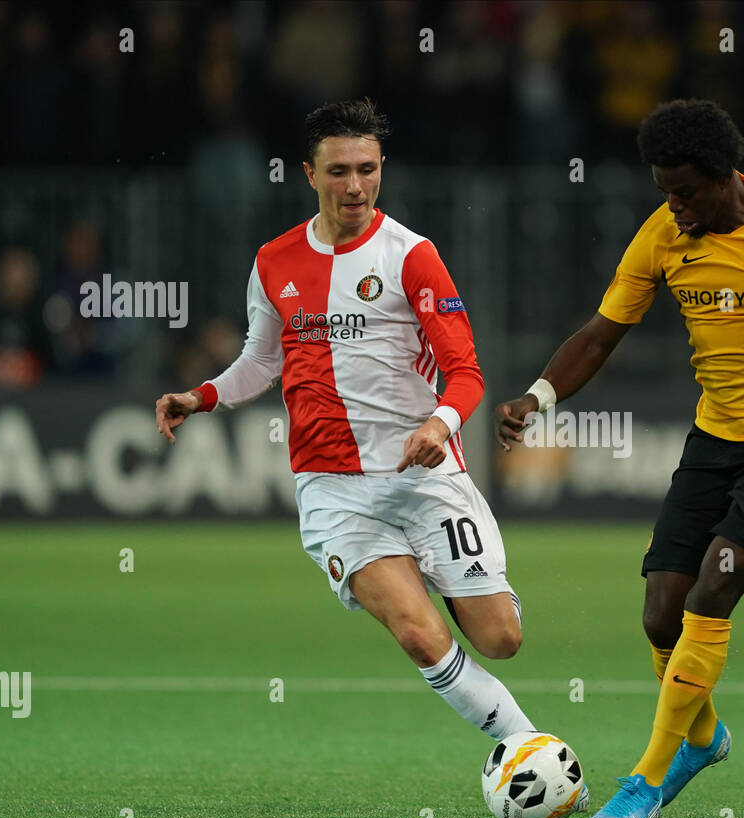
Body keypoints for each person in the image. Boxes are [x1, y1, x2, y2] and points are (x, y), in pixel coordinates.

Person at [156, 100, 573, 782]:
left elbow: (466, 371)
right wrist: (200, 396)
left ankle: (458, 578)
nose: (356, 186)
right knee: (416, 632)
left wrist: (441, 424)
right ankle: (530, 753)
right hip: (334, 489)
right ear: (308, 174)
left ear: (383, 170)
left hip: (423, 475)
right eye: (340, 171)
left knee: (501, 638)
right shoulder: (274, 261)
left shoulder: (412, 257)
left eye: (368, 170)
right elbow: (263, 359)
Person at [494, 99, 744, 818]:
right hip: (716, 437)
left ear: (726, 176)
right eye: (664, 191)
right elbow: (602, 334)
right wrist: (537, 397)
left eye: (687, 192)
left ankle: (646, 778)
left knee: (720, 576)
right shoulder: (664, 238)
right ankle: (704, 738)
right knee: (661, 609)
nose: (675, 205)